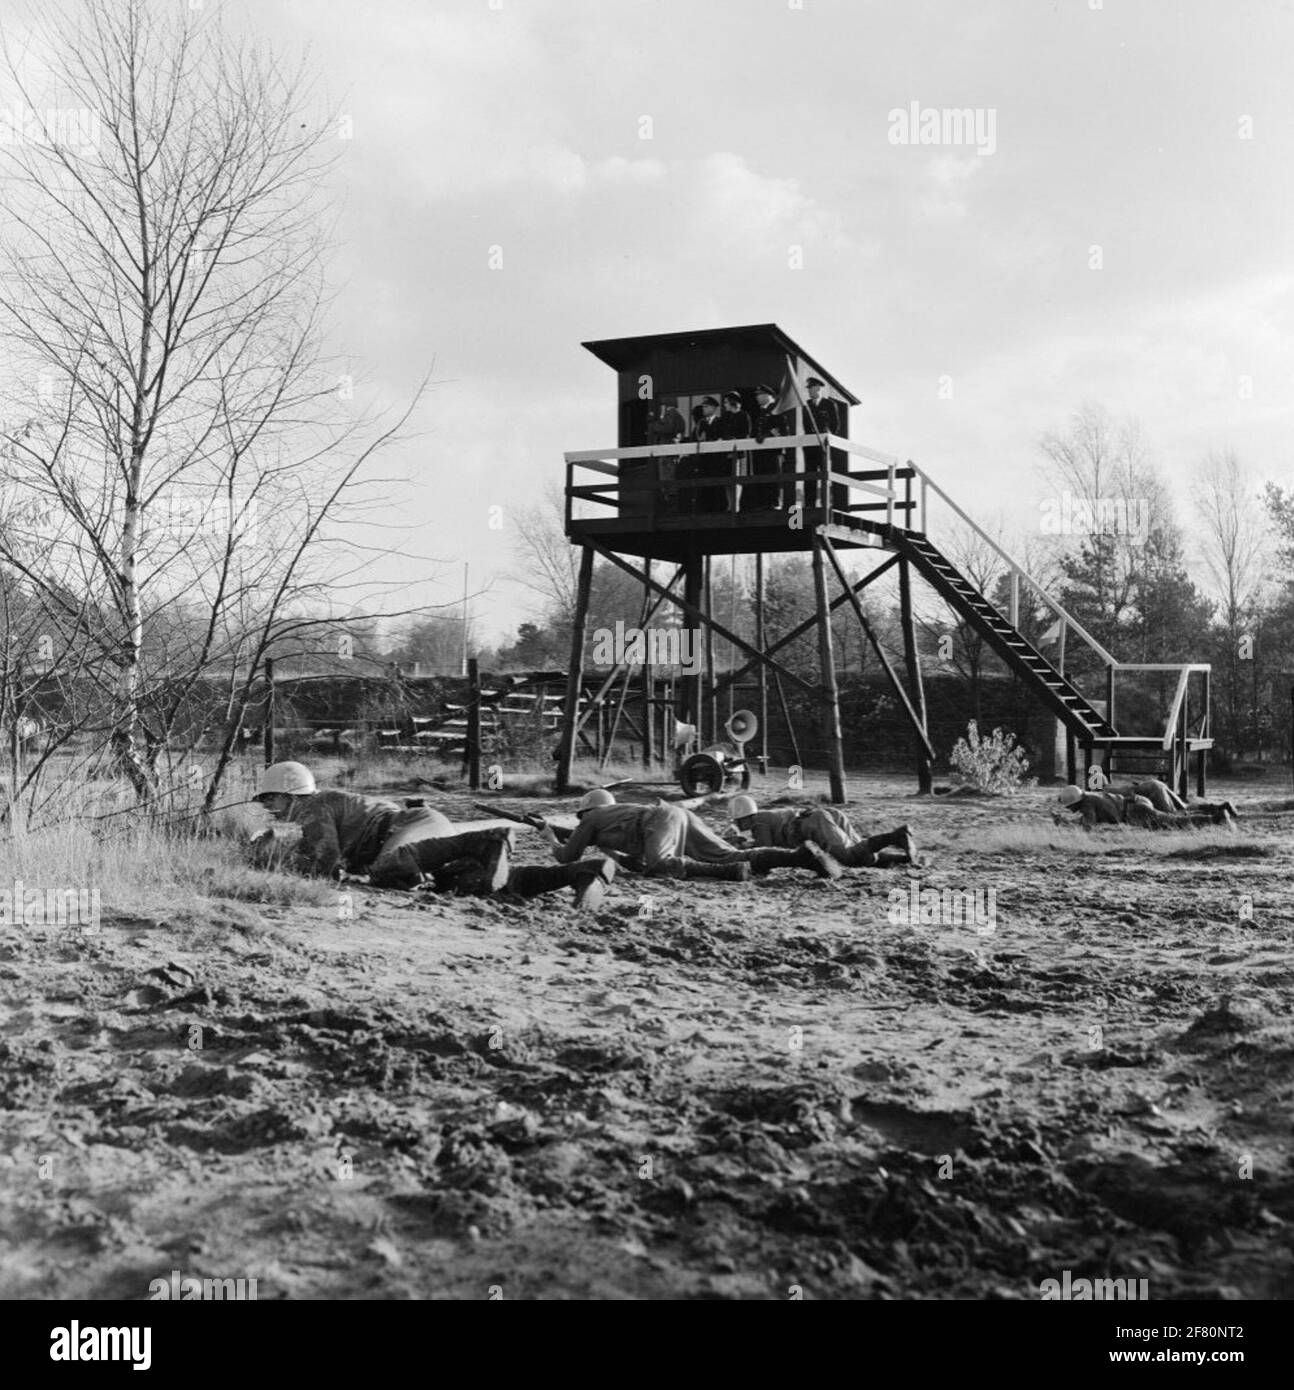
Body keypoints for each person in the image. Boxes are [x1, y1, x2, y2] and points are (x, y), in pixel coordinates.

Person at [250, 761, 617, 909]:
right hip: (420, 831)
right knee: (476, 884)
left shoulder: (316, 806)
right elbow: (319, 851)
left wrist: (269, 860)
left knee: (388, 868)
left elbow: (324, 860)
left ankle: (491, 837)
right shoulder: (321, 809)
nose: (271, 808)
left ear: (291, 792)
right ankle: (583, 872)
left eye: (272, 800)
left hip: (408, 829)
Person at [543, 788, 842, 881]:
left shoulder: (593, 817)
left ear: (587, 811)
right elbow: (635, 858)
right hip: (673, 815)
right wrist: (609, 852)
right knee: (730, 853)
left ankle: (729, 873)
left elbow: (567, 856)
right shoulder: (613, 818)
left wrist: (547, 835)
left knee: (661, 867)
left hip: (658, 820)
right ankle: (801, 858)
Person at [728, 795, 919, 867]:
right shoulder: (763, 816)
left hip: (814, 824)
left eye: (738, 820)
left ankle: (896, 836)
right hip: (825, 817)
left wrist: (742, 846)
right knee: (863, 856)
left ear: (745, 817)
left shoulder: (758, 823)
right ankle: (903, 857)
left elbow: (764, 851)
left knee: (849, 856)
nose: (738, 825)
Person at [1056, 784, 1235, 830]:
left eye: (1069, 807)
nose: (1070, 810)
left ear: (1075, 803)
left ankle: (1216, 819)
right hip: (1136, 804)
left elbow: (1088, 826)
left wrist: (1065, 824)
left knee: (1174, 822)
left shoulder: (1087, 804)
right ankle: (1214, 815)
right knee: (1173, 820)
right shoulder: (1089, 797)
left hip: (1136, 810)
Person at [802, 376, 843, 515]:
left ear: (818, 388)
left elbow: (835, 425)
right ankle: (809, 503)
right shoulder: (806, 405)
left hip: (823, 444)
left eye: (811, 388)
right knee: (810, 473)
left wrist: (827, 436)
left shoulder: (829, 404)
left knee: (825, 473)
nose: (809, 392)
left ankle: (827, 502)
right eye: (808, 389)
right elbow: (805, 425)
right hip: (810, 445)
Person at [748, 383, 787, 510]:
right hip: (760, 450)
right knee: (760, 475)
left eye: (760, 395)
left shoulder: (777, 409)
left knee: (773, 475)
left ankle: (774, 502)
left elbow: (782, 429)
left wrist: (768, 433)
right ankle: (763, 503)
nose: (757, 397)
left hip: (773, 451)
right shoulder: (761, 412)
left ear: (768, 395)